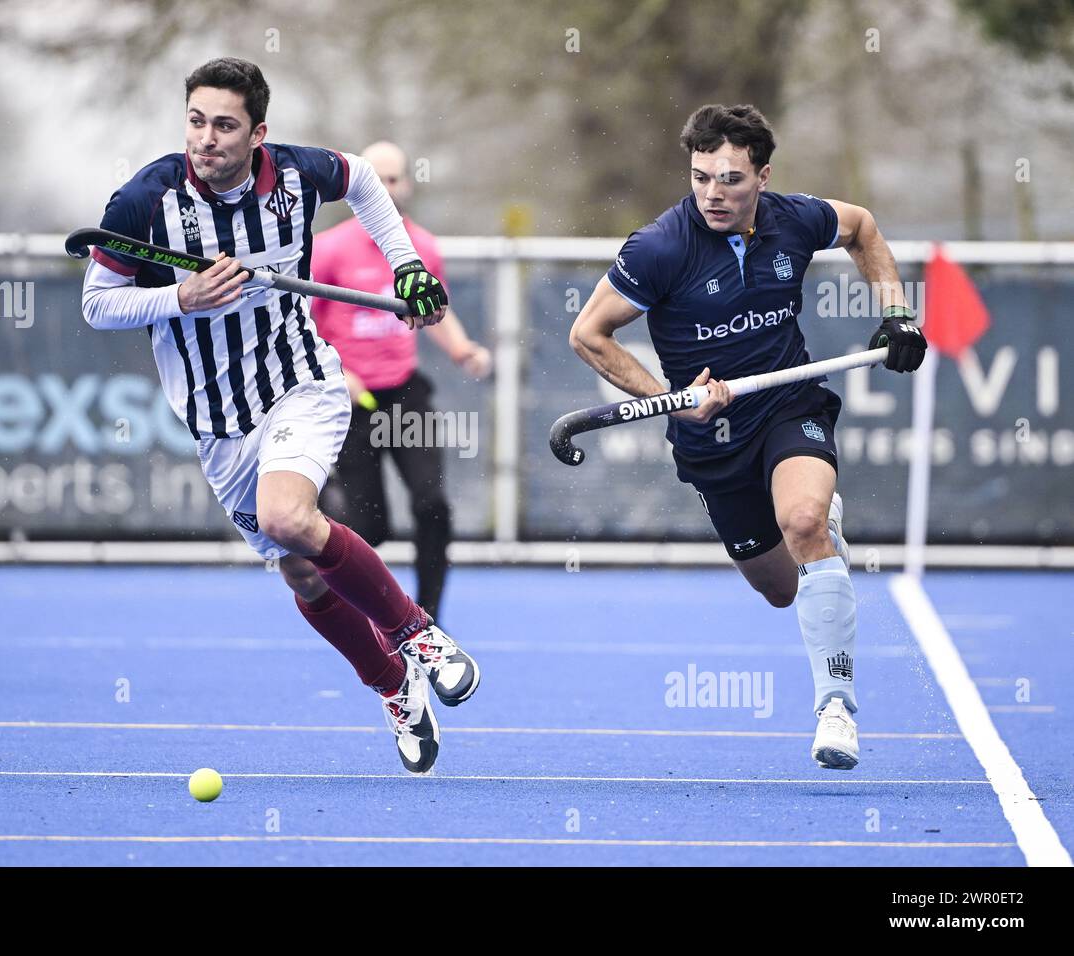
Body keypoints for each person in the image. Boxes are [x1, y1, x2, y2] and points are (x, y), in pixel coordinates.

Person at [80, 58, 481, 774]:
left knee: (289, 518)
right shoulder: (144, 199)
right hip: (216, 421)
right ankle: (396, 687)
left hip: (300, 383)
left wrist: (404, 265)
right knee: (302, 573)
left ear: (258, 132)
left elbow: (360, 177)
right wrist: (180, 298)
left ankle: (416, 632)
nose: (206, 139)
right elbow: (96, 303)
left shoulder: (294, 176)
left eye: (225, 125)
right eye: (196, 121)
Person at [569, 104, 926, 769]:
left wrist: (896, 313)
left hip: (789, 404)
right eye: (701, 176)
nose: (712, 194)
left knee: (803, 518)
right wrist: (672, 401)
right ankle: (812, 538)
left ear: (764, 176)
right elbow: (588, 334)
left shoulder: (795, 219)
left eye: (730, 179)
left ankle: (836, 708)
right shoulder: (661, 247)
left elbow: (864, 228)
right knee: (781, 588)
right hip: (712, 442)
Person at [310, 140, 491, 623]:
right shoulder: (329, 250)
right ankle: (328, 507)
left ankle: (428, 619)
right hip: (349, 400)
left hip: (404, 395)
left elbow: (437, 312)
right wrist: (335, 370)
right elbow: (299, 323)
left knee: (432, 505)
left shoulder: (423, 247)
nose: (387, 189)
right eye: (377, 179)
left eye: (394, 179)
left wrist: (463, 349)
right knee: (370, 528)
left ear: (407, 185)